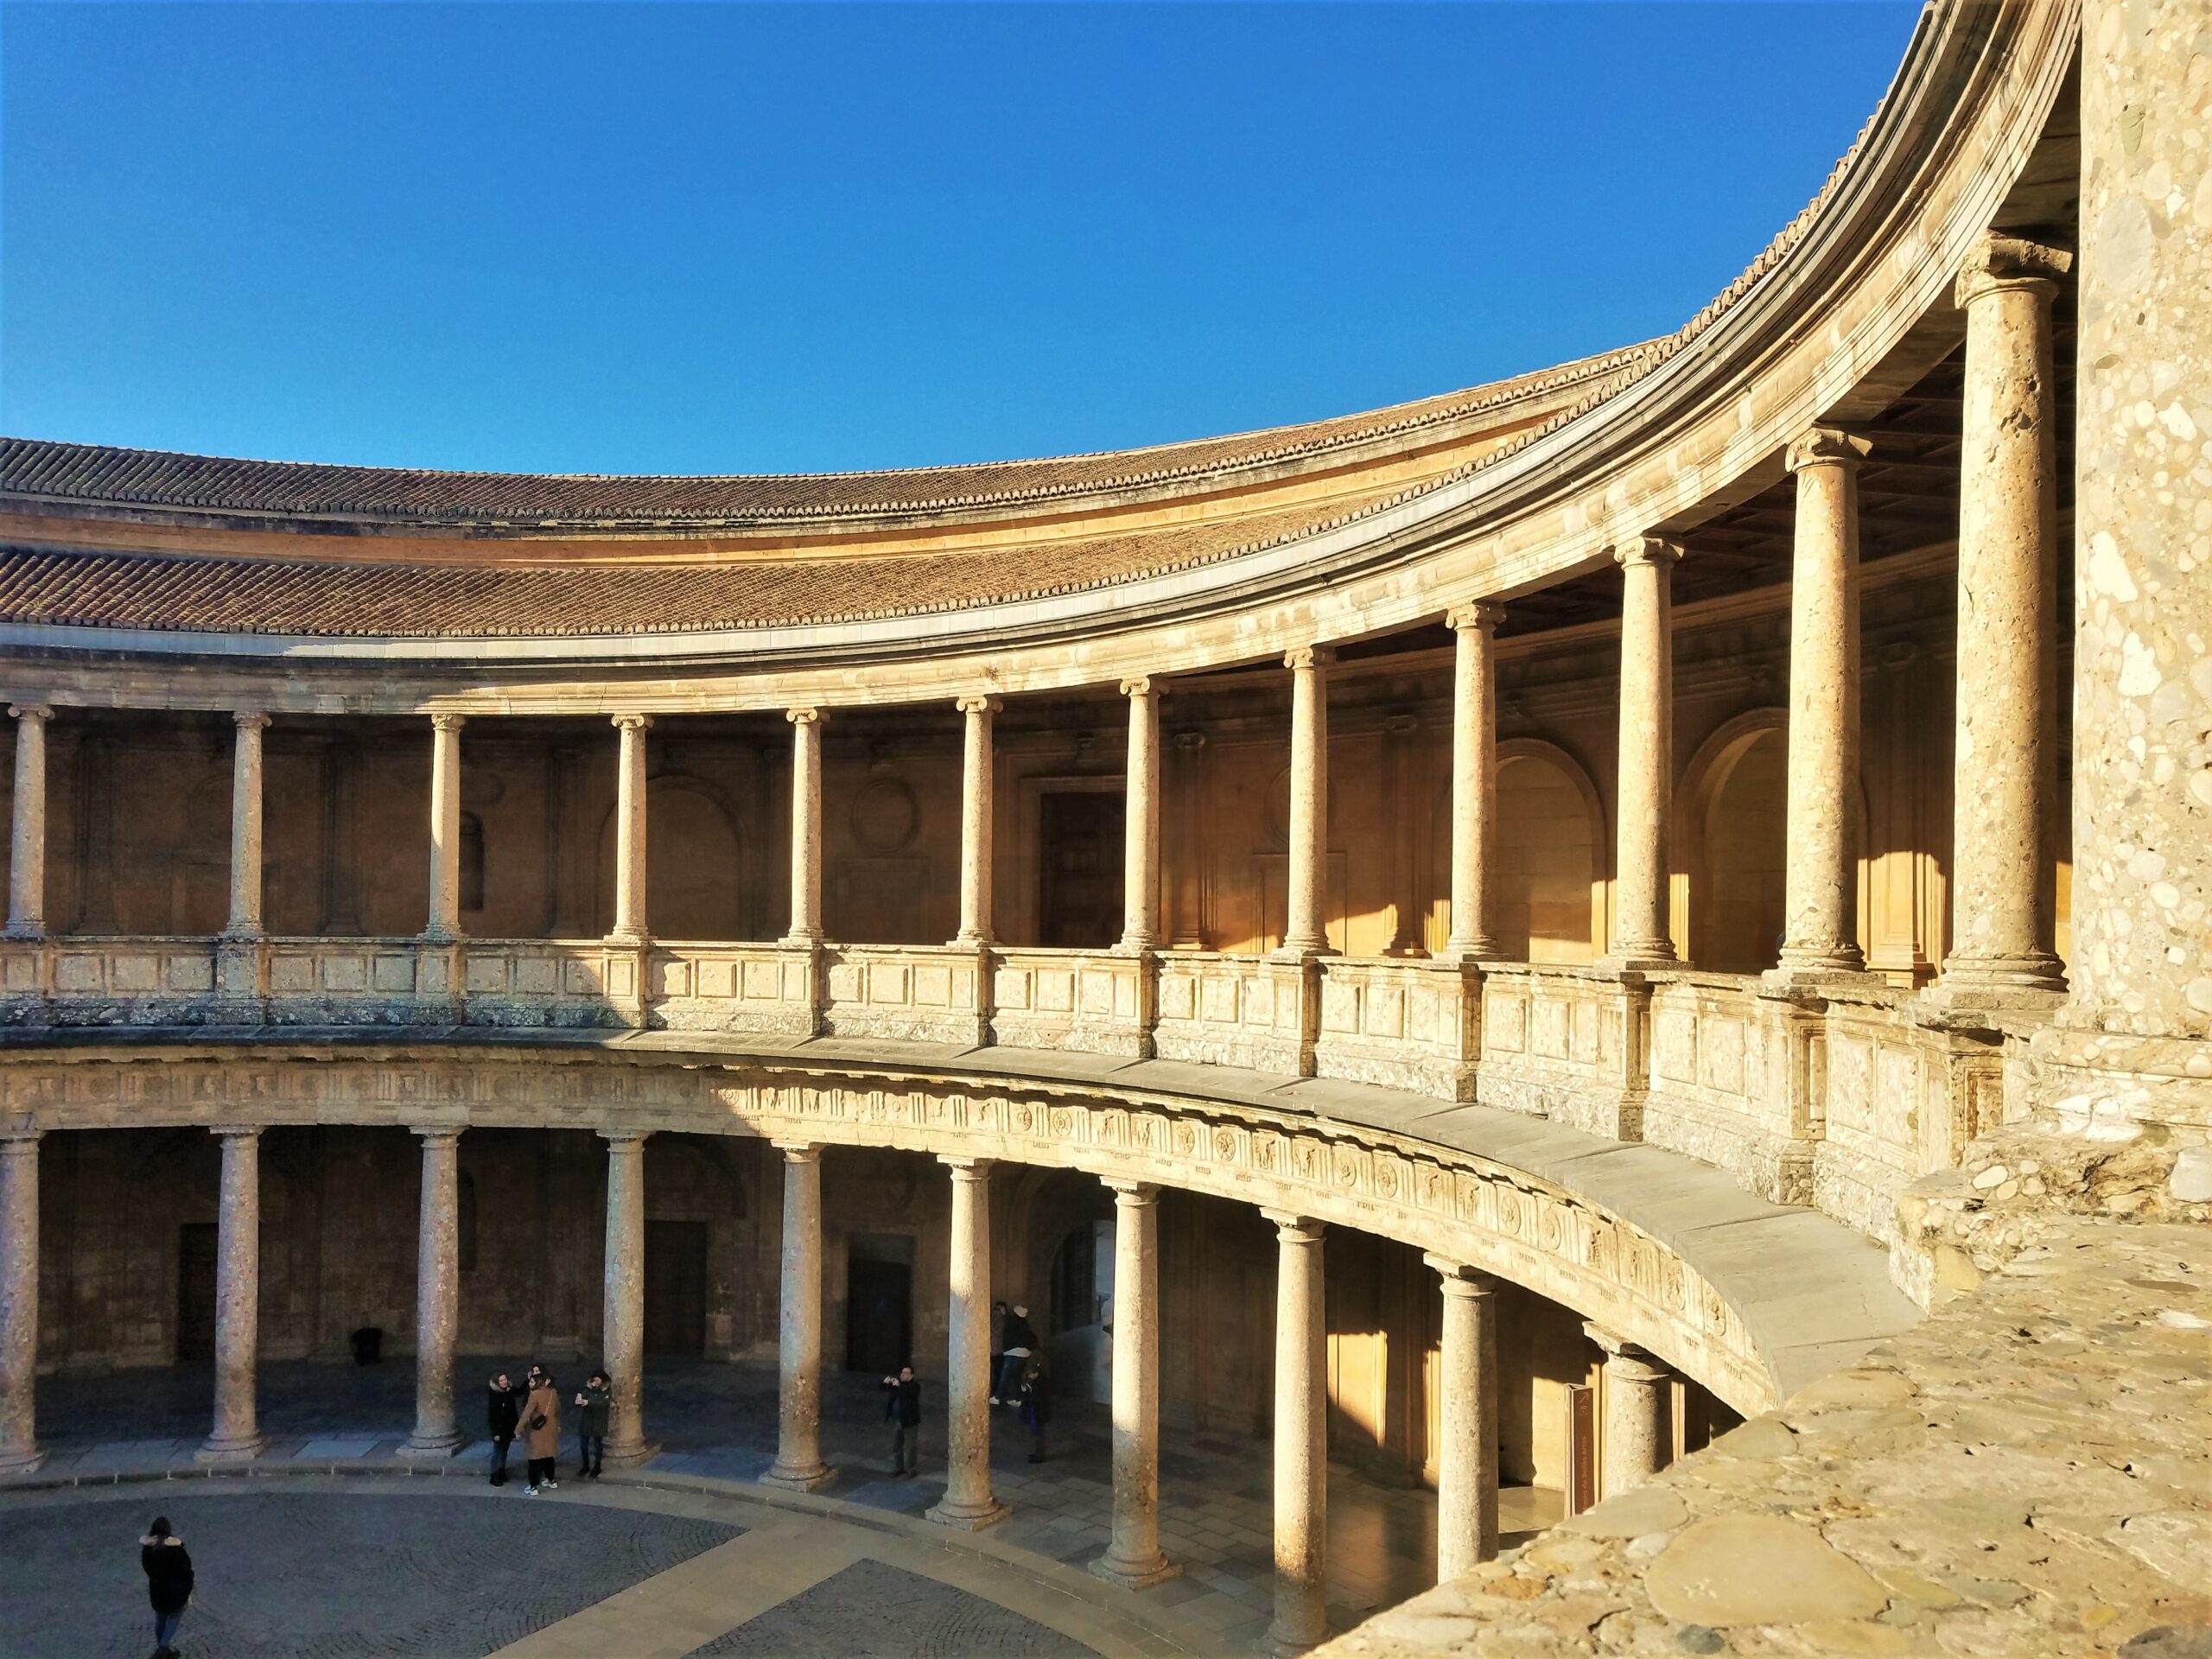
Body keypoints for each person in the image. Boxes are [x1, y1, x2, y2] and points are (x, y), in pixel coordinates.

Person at [139, 1515, 194, 1658]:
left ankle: (163, 1648)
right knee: (175, 1617)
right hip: (176, 1591)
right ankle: (163, 1648)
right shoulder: (176, 1549)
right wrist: (187, 1588)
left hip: (157, 1590)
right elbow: (186, 1570)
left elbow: (147, 1567)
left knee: (161, 1618)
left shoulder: (148, 1549)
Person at [519, 1370, 562, 1495]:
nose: (529, 1384)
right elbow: (558, 1409)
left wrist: (518, 1430)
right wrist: (557, 1424)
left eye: (532, 1381)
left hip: (537, 1430)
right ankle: (551, 1480)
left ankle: (533, 1486)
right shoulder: (553, 1392)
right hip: (550, 1428)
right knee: (549, 1455)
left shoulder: (534, 1395)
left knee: (534, 1458)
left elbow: (526, 1414)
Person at [881, 1363, 921, 1478]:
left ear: (911, 1375)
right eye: (902, 1373)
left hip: (909, 1422)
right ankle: (898, 1467)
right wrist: (885, 1382)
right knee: (896, 1445)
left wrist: (900, 1386)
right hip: (897, 1420)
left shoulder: (914, 1386)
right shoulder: (897, 1385)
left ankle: (911, 1469)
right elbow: (882, 1388)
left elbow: (910, 1393)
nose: (902, 1375)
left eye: (905, 1373)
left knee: (910, 1447)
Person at [486, 1371, 524, 1486]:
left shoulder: (509, 1390)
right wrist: (495, 1432)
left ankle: (502, 1470)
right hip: (499, 1428)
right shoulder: (494, 1395)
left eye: (505, 1380)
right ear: (497, 1382)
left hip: (509, 1427)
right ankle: (494, 1474)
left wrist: (528, 1380)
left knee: (504, 1451)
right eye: (501, 1381)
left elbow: (519, 1391)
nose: (504, 1382)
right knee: (497, 1451)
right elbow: (492, 1416)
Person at [996, 1303, 1037, 1402]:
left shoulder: (1012, 1324)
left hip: (1013, 1352)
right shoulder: (1024, 1325)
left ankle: (998, 1397)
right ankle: (1018, 1399)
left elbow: (1009, 1328)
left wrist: (1004, 1315)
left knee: (1005, 1375)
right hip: (1025, 1353)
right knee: (1017, 1377)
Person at [574, 1370, 611, 1479]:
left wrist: (588, 1402)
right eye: (595, 1380)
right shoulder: (588, 1388)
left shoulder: (606, 1391)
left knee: (597, 1444)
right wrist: (579, 1400)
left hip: (599, 1421)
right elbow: (583, 1396)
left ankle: (597, 1466)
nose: (596, 1382)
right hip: (587, 1420)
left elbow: (603, 1403)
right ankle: (585, 1465)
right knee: (583, 1445)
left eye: (598, 1380)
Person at [1018, 1352, 1052, 1464]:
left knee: (1039, 1435)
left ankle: (1040, 1455)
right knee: (1039, 1434)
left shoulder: (1039, 1383)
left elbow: (1036, 1399)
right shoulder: (1042, 1380)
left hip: (1038, 1412)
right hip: (1039, 1412)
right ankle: (1039, 1454)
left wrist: (1026, 1392)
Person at [988, 1300, 1008, 1406]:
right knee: (998, 1373)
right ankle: (995, 1394)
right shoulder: (1000, 1319)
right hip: (998, 1350)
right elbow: (998, 1332)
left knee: (993, 1373)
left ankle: (992, 1393)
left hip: (990, 1349)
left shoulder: (989, 1316)